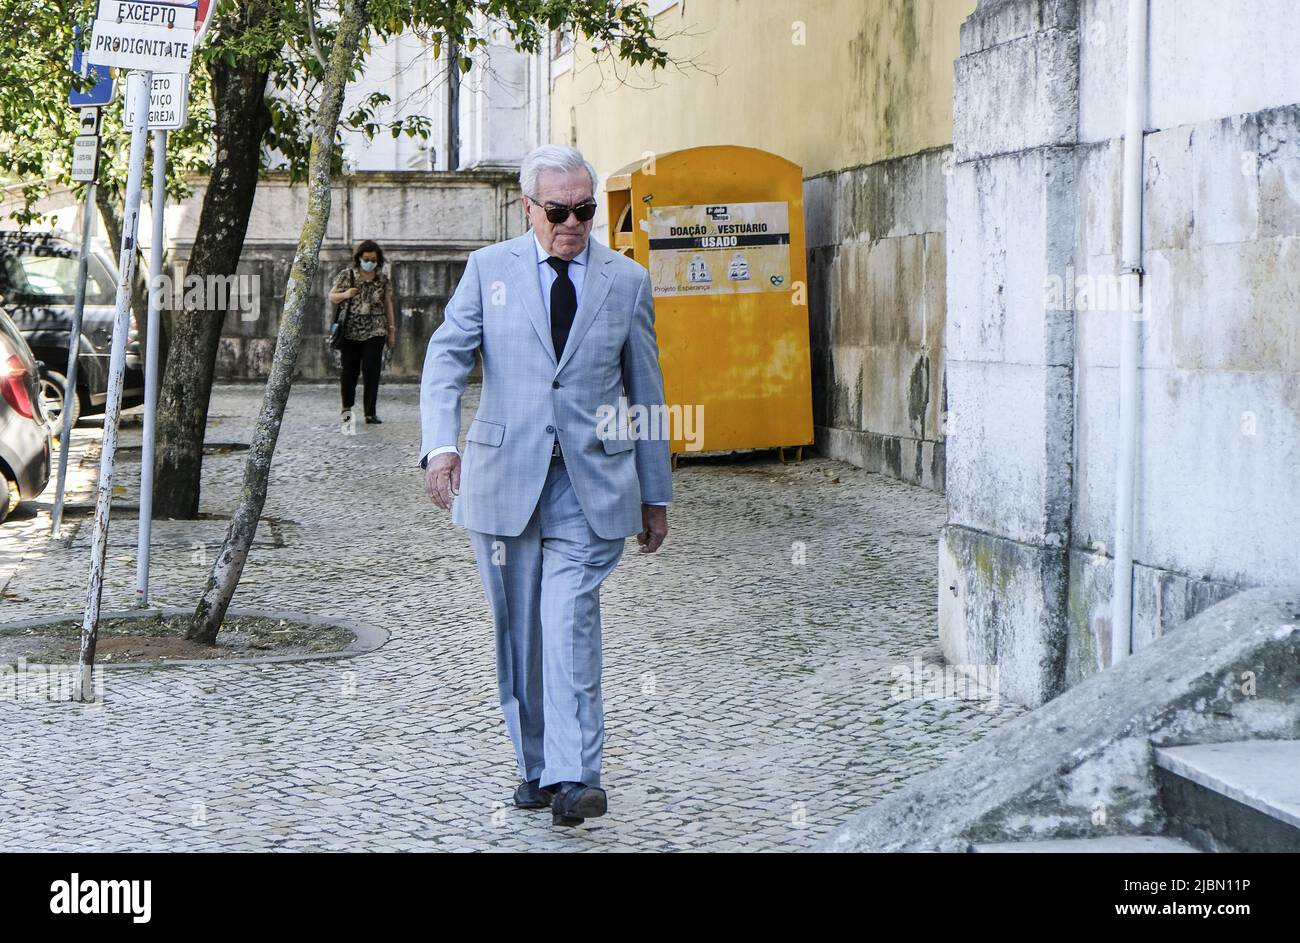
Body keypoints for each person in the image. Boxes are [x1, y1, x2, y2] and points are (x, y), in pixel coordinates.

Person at [419, 144, 672, 827]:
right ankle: (535, 766)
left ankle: (575, 775)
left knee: (568, 622)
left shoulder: (626, 282)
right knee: (518, 635)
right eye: (558, 211)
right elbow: (447, 358)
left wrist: (656, 493)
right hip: (504, 480)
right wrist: (441, 446)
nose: (573, 224)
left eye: (585, 210)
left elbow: (646, 391)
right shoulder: (486, 270)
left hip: (591, 485)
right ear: (527, 207)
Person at [329, 239, 396, 424]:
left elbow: (388, 304)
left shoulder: (382, 279)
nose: (370, 262)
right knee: (349, 371)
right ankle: (347, 407)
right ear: (359, 258)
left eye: (373, 259)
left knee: (371, 370)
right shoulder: (347, 275)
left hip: (376, 329)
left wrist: (391, 331)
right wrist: (346, 294)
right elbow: (332, 296)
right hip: (351, 329)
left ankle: (370, 412)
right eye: (366, 259)